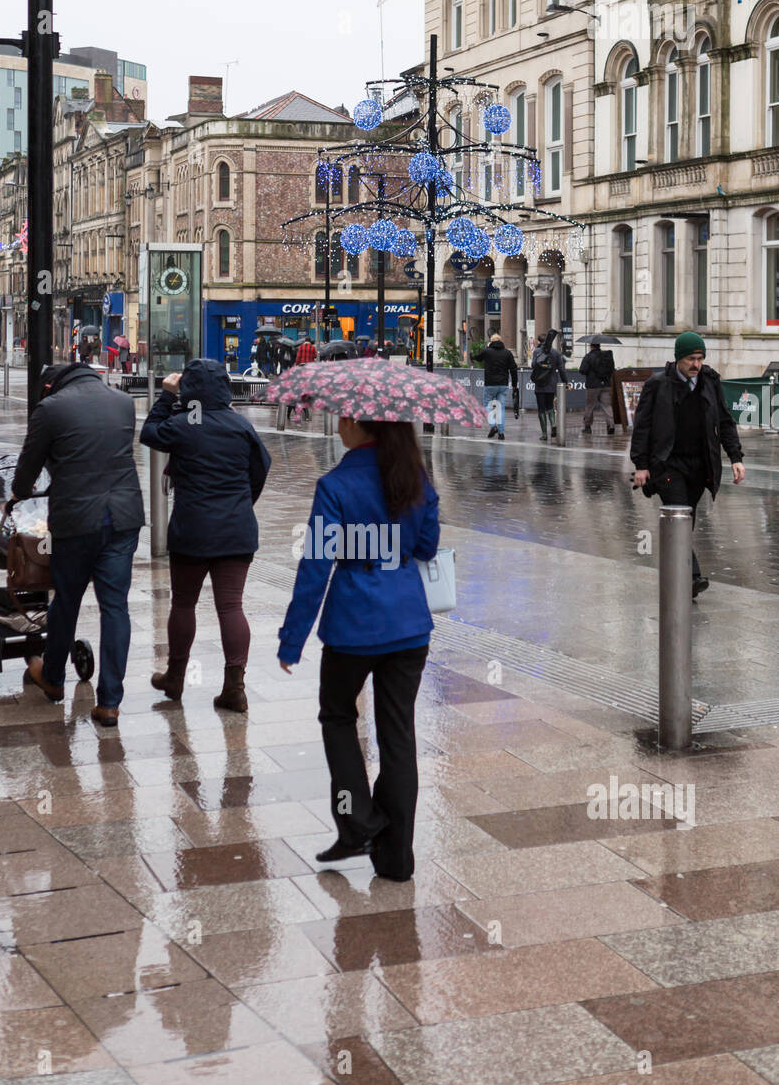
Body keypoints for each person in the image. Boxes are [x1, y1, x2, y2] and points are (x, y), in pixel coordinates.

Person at [278, 418, 440, 882]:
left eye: (344, 419)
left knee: (338, 716)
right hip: (409, 626)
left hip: (353, 627)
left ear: (357, 424)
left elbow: (315, 567)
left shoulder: (336, 485)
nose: (338, 426)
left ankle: (358, 822)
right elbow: (427, 547)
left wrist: (293, 639)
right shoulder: (416, 478)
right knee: (397, 735)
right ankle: (396, 860)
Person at [10, 363, 144, 725]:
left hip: (75, 522)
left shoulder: (50, 409)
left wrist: (21, 492)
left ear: (50, 385)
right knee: (115, 607)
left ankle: (53, 679)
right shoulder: (123, 402)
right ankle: (109, 703)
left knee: (66, 600)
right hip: (123, 518)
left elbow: (28, 467)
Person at [140, 359, 271, 709]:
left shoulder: (183, 424)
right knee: (231, 606)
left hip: (192, 530)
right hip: (236, 530)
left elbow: (149, 433)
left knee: (183, 603)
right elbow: (260, 470)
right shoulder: (241, 426)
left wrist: (167, 397)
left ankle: (176, 678)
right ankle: (235, 687)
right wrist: (241, 504)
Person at [631, 332, 745, 600]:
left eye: (700, 359)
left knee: (686, 521)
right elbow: (643, 426)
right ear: (678, 359)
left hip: (700, 465)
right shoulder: (658, 385)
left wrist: (736, 457)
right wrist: (641, 465)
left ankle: (678, 574)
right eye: (691, 359)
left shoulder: (710, 382)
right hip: (668, 464)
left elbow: (726, 422)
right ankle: (691, 578)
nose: (696, 365)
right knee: (679, 517)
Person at [476, 332, 518, 441]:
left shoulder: (487, 351)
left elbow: (477, 358)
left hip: (490, 384)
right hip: (503, 384)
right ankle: (501, 432)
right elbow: (513, 369)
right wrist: (514, 384)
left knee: (487, 404)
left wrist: (486, 348)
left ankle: (493, 425)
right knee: (501, 408)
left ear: (491, 342)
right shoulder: (507, 353)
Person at [531, 329, 567, 441]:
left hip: (540, 384)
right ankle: (553, 425)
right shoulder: (556, 353)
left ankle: (544, 434)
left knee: (541, 408)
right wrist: (566, 382)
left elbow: (533, 365)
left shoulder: (537, 352)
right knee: (550, 406)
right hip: (551, 384)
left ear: (538, 341)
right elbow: (562, 369)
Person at [580, 341, 616, 435]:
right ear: (599, 346)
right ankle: (611, 425)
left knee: (590, 406)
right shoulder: (607, 356)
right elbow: (612, 369)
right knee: (607, 406)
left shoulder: (588, 356)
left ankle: (587, 426)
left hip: (593, 385)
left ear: (591, 346)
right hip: (606, 384)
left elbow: (582, 370)